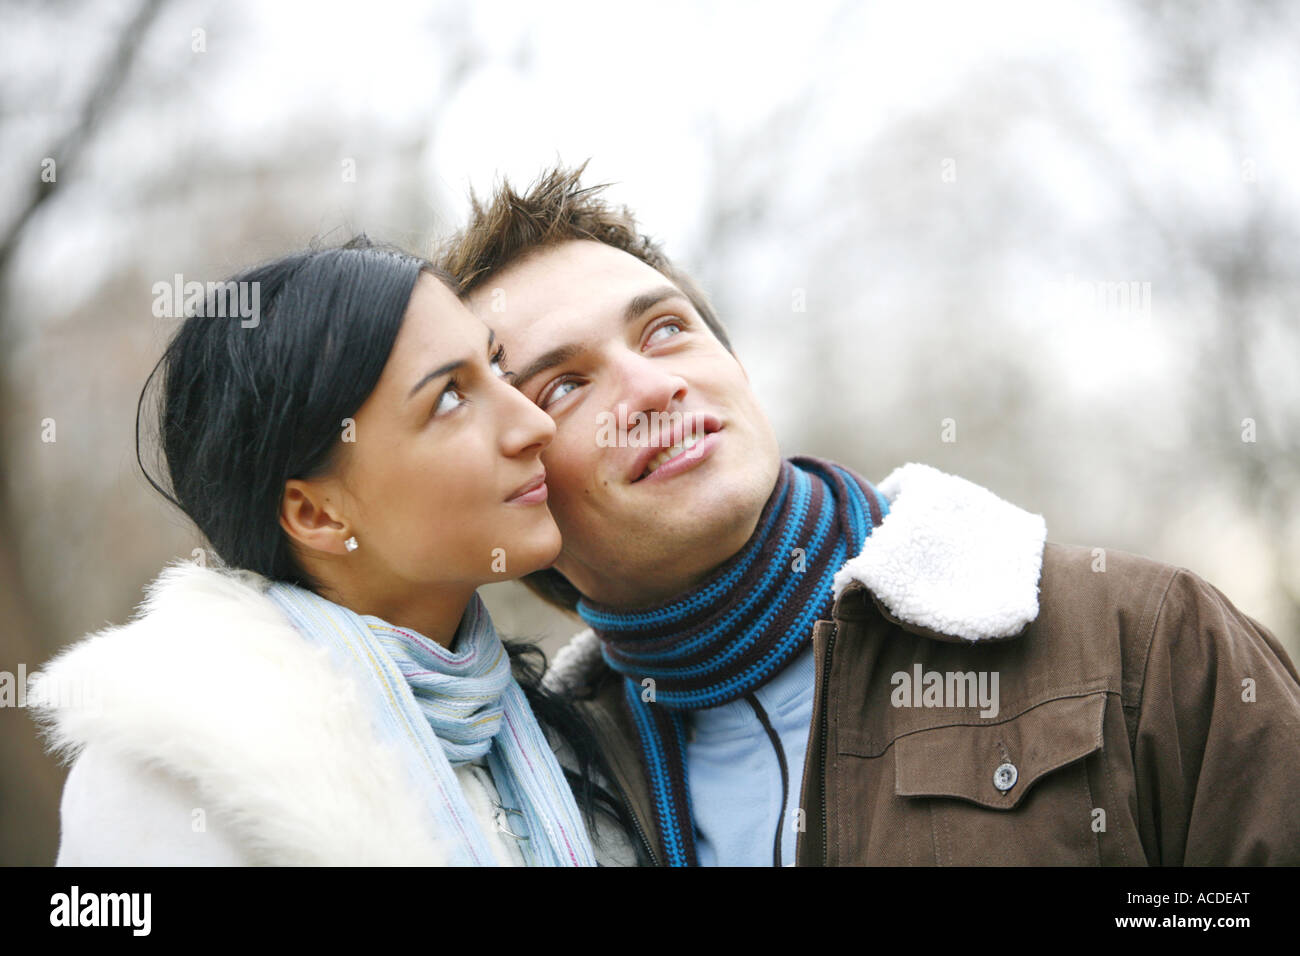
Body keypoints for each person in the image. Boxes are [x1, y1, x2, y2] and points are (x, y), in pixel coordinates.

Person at [436, 163, 1300, 866]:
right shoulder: (535, 794)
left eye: (665, 331)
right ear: (520, 488)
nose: (656, 386)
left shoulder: (1140, 641)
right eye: (566, 384)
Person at [28, 237, 636, 866]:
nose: (535, 424)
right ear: (317, 514)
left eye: (498, 367)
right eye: (450, 398)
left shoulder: (564, 738)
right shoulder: (175, 768)